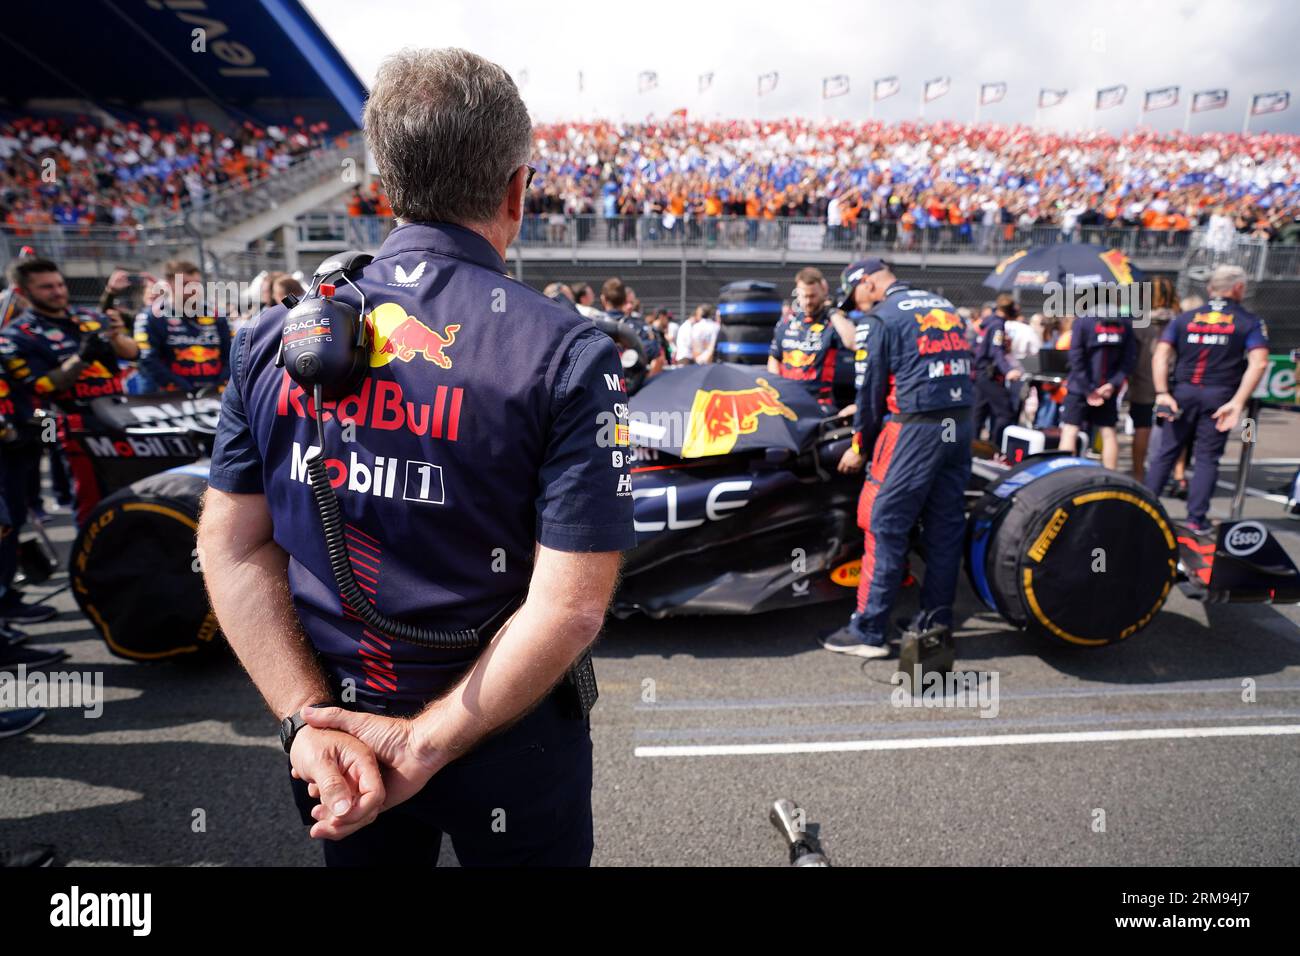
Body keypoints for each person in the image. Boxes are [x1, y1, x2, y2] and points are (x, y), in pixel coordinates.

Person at [198, 47, 634, 867]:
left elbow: (230, 545)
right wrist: (423, 743)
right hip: (506, 734)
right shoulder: (566, 352)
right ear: (516, 189)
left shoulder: (270, 338)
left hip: (338, 742)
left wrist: (302, 720)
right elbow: (571, 609)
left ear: (385, 186)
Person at [822, 259, 972, 658]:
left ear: (868, 283)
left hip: (914, 430)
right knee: (944, 527)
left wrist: (859, 446)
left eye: (855, 298)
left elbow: (870, 392)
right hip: (958, 426)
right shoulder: (943, 305)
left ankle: (868, 630)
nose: (858, 307)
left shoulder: (881, 318)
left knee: (883, 522)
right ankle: (934, 624)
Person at [2, 256, 135, 525]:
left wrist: (117, 338)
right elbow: (41, 386)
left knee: (131, 494)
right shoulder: (15, 336)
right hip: (64, 424)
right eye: (46, 287)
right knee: (86, 497)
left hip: (118, 418)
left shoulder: (89, 316)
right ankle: (47, 502)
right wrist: (81, 358)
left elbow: (134, 353)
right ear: (22, 291)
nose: (58, 291)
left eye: (60, 284)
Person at [1143, 266, 1270, 536]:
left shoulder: (1184, 318)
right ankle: (1195, 519)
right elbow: (1259, 362)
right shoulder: (1249, 321)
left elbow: (1160, 355)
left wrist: (1162, 392)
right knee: (1206, 458)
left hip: (1182, 393)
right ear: (1238, 288)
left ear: (1211, 288)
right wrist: (1238, 402)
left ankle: (1142, 512)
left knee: (1166, 453)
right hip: (1220, 396)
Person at [132, 259, 232, 393]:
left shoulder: (216, 316)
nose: (193, 290)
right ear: (169, 284)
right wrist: (183, 389)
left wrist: (218, 386)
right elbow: (148, 359)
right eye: (186, 284)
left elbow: (232, 355)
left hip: (214, 395)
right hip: (172, 398)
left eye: (197, 284)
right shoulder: (151, 316)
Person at [1057, 302, 1136, 471]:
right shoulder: (1125, 323)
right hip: (1106, 390)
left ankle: (1064, 474)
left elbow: (1075, 357)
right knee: (1108, 432)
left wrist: (1089, 389)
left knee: (1070, 430)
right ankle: (1110, 475)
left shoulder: (1083, 322)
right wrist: (1111, 384)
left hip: (1081, 388)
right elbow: (1129, 360)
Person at [767, 267, 857, 410]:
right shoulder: (787, 322)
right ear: (797, 293)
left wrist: (832, 312)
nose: (808, 301)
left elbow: (854, 342)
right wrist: (775, 391)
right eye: (804, 296)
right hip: (787, 401)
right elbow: (774, 358)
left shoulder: (833, 322)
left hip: (819, 403)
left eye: (813, 296)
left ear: (823, 291)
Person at [1128, 276, 1178, 482]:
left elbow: (1130, 355)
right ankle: (1178, 474)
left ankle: (1138, 473)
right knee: (1175, 429)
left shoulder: (1138, 323)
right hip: (1173, 381)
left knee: (1142, 428)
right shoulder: (1180, 321)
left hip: (1143, 381)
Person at [971, 293, 1022, 449]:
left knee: (978, 413)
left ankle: (973, 449)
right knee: (1005, 412)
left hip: (979, 374)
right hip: (988, 374)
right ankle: (997, 448)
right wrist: (1008, 371)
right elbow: (996, 351)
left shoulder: (988, 322)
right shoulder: (997, 326)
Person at [601, 276, 664, 377]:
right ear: (623, 300)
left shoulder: (590, 324)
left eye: (632, 303)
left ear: (603, 299)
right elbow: (657, 353)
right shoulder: (638, 326)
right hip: (629, 382)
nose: (630, 306)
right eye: (627, 302)